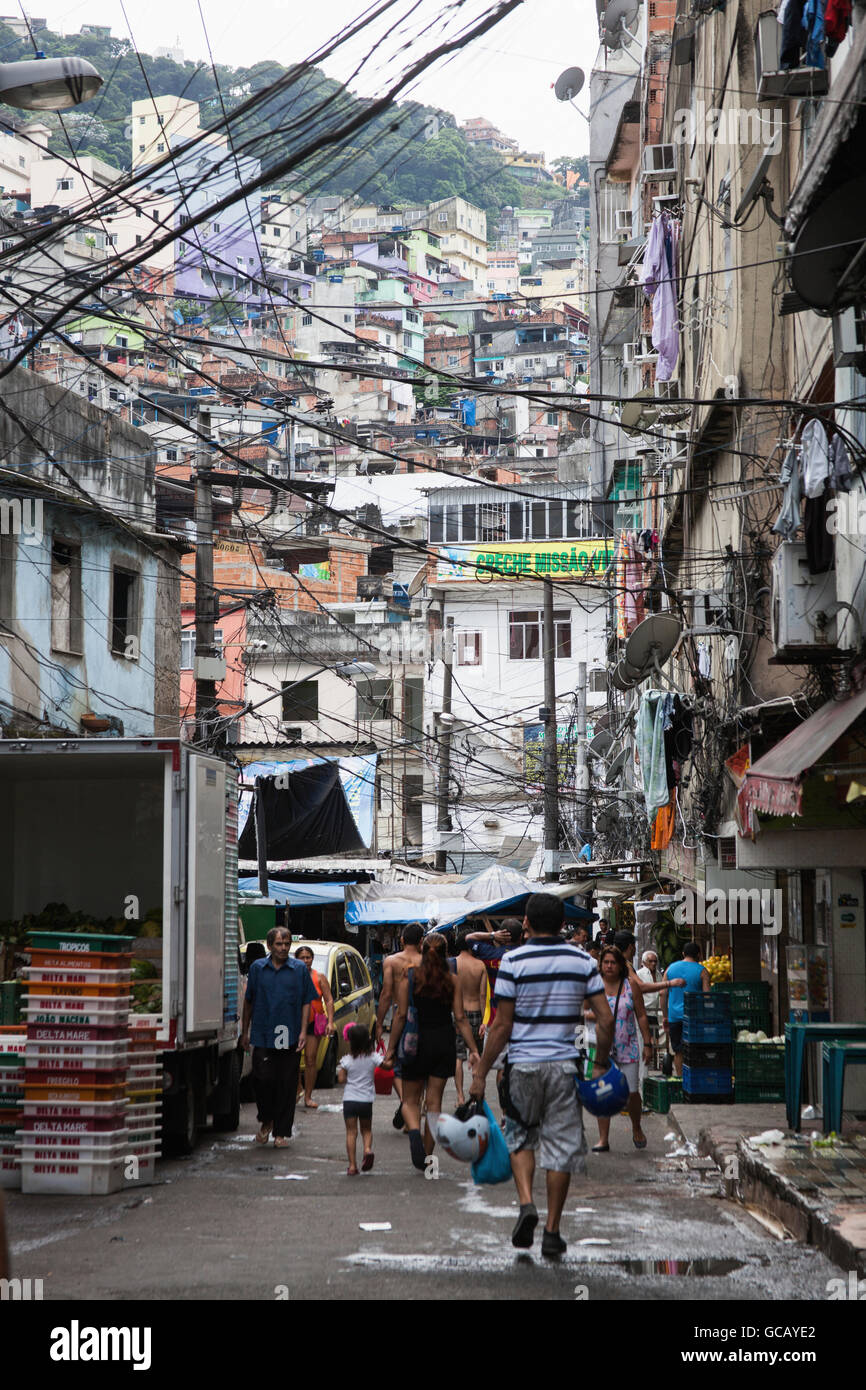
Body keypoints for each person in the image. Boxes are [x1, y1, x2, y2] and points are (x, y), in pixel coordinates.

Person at [470, 893, 614, 1259]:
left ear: (527, 923)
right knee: (561, 1147)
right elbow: (606, 1018)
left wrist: (481, 1073)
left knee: (521, 1135)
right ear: (563, 923)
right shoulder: (583, 961)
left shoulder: (513, 960)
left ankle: (525, 1203)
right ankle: (552, 1230)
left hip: (522, 1066)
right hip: (565, 1066)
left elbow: (501, 1025)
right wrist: (601, 1063)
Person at [383, 933, 480, 1171]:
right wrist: (474, 1049)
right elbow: (460, 1018)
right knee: (434, 1103)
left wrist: (391, 1049)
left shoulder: (410, 977)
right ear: (446, 953)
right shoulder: (453, 980)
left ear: (423, 950)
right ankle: (427, 1157)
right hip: (443, 1043)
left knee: (410, 1100)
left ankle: (414, 1135)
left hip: (415, 1043)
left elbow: (401, 1015)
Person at [241, 926, 316, 1147]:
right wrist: (244, 1031)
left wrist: (303, 1031)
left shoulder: (299, 969)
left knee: (286, 1084)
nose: (283, 948)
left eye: (286, 944)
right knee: (263, 1079)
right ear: (269, 945)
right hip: (263, 1033)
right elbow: (249, 1002)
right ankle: (267, 1119)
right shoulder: (257, 968)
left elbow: (306, 1002)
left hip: (290, 1033)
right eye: (279, 944)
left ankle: (280, 1133)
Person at [587, 945, 651, 1152]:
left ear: (620, 965)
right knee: (602, 1092)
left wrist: (648, 1043)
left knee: (632, 1092)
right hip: (601, 1048)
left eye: (613, 962)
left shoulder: (631, 985)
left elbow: (641, 1015)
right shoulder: (594, 986)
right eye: (605, 962)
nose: (609, 966)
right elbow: (582, 1010)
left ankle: (636, 1126)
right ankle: (603, 1139)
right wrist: (596, 1016)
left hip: (628, 1046)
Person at [376, 922, 425, 1131]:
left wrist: (379, 1023)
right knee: (421, 1065)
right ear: (422, 941)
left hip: (401, 1017)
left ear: (402, 940)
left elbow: (386, 994)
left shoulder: (392, 961)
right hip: (424, 1017)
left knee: (395, 1064)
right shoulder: (428, 961)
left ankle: (407, 1103)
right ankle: (414, 1106)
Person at [294, 945, 336, 1110]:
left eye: (308, 957)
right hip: (294, 1022)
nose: (305, 961)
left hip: (315, 1021)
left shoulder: (320, 977)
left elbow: (329, 1000)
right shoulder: (291, 976)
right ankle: (298, 1089)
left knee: (311, 1059)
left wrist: (330, 1022)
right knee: (293, 1059)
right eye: (302, 958)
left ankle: (309, 1096)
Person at [662, 940, 711, 1075]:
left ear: (683, 953)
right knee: (696, 1049)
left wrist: (665, 1016)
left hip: (675, 1017)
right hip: (695, 1017)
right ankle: (695, 1080)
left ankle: (680, 1080)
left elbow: (662, 993)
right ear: (699, 955)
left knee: (678, 1051)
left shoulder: (670, 969)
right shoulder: (703, 971)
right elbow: (707, 996)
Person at [450, 930, 488, 1105]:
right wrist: (484, 1022)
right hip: (476, 1015)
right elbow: (482, 995)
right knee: (476, 1055)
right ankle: (477, 1095)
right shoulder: (480, 965)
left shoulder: (452, 964)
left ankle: (459, 1096)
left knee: (458, 1057)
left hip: (457, 1015)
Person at [338, 1023, 377, 1175]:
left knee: (351, 1133)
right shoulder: (372, 1057)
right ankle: (367, 1149)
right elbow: (386, 1065)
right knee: (366, 1130)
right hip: (366, 1100)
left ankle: (352, 1166)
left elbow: (341, 1079)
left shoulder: (347, 1060)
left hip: (349, 1100)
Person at [636, 949, 664, 1069]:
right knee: (646, 1039)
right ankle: (645, 1064)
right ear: (644, 962)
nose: (653, 963)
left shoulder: (659, 974)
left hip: (655, 1012)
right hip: (644, 1011)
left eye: (655, 961)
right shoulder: (639, 974)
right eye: (650, 961)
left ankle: (655, 1064)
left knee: (655, 1039)